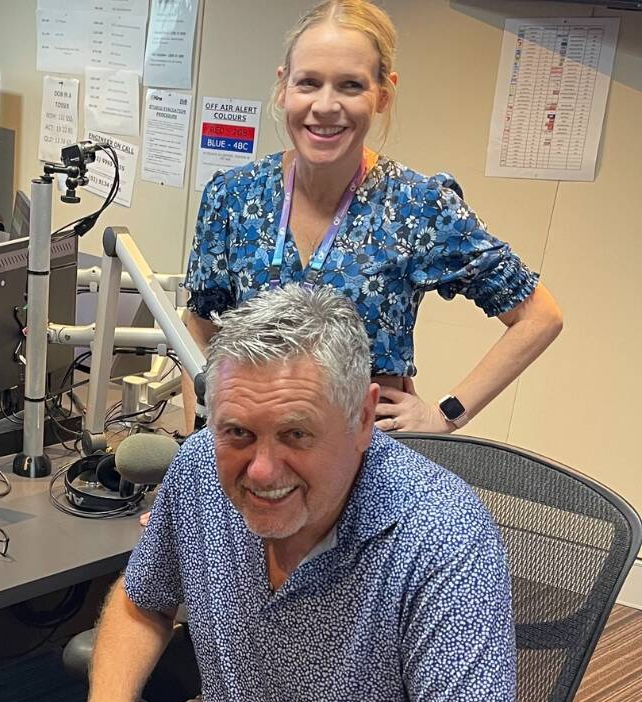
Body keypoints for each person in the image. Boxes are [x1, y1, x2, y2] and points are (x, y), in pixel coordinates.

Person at [14, 285, 516, 702]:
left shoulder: (446, 542)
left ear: (363, 419)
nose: (261, 471)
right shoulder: (200, 472)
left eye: (296, 434)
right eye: (239, 433)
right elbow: (141, 602)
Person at [181, 0, 562, 435]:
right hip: (253, 450)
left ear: (382, 94)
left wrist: (446, 414)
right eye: (309, 82)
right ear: (284, 86)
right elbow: (200, 323)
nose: (325, 106)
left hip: (362, 453)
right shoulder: (232, 196)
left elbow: (539, 316)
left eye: (350, 85)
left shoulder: (418, 207)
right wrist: (207, 439)